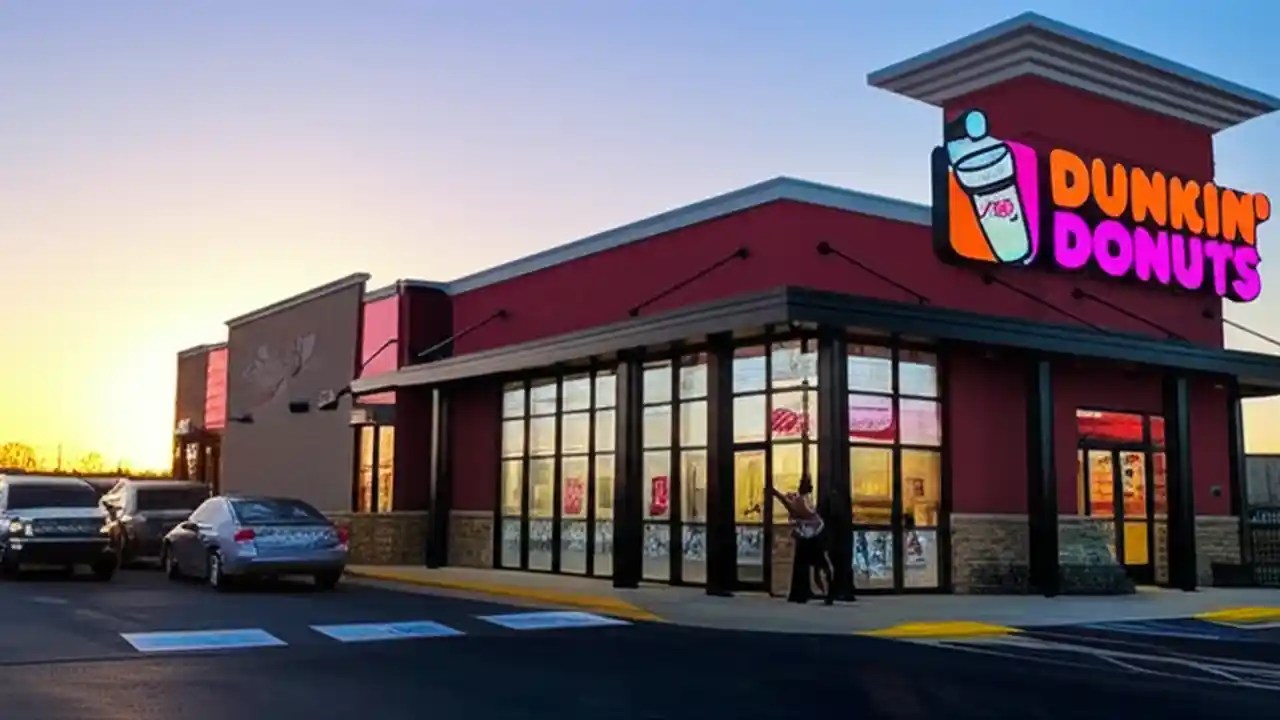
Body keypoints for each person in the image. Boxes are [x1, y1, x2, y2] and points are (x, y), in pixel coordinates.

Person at [771, 476, 834, 605]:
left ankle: (826, 593)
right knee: (818, 566)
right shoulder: (805, 500)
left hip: (812, 537)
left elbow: (796, 509)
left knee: (817, 566)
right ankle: (825, 593)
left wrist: (777, 494)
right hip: (813, 535)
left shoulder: (802, 500)